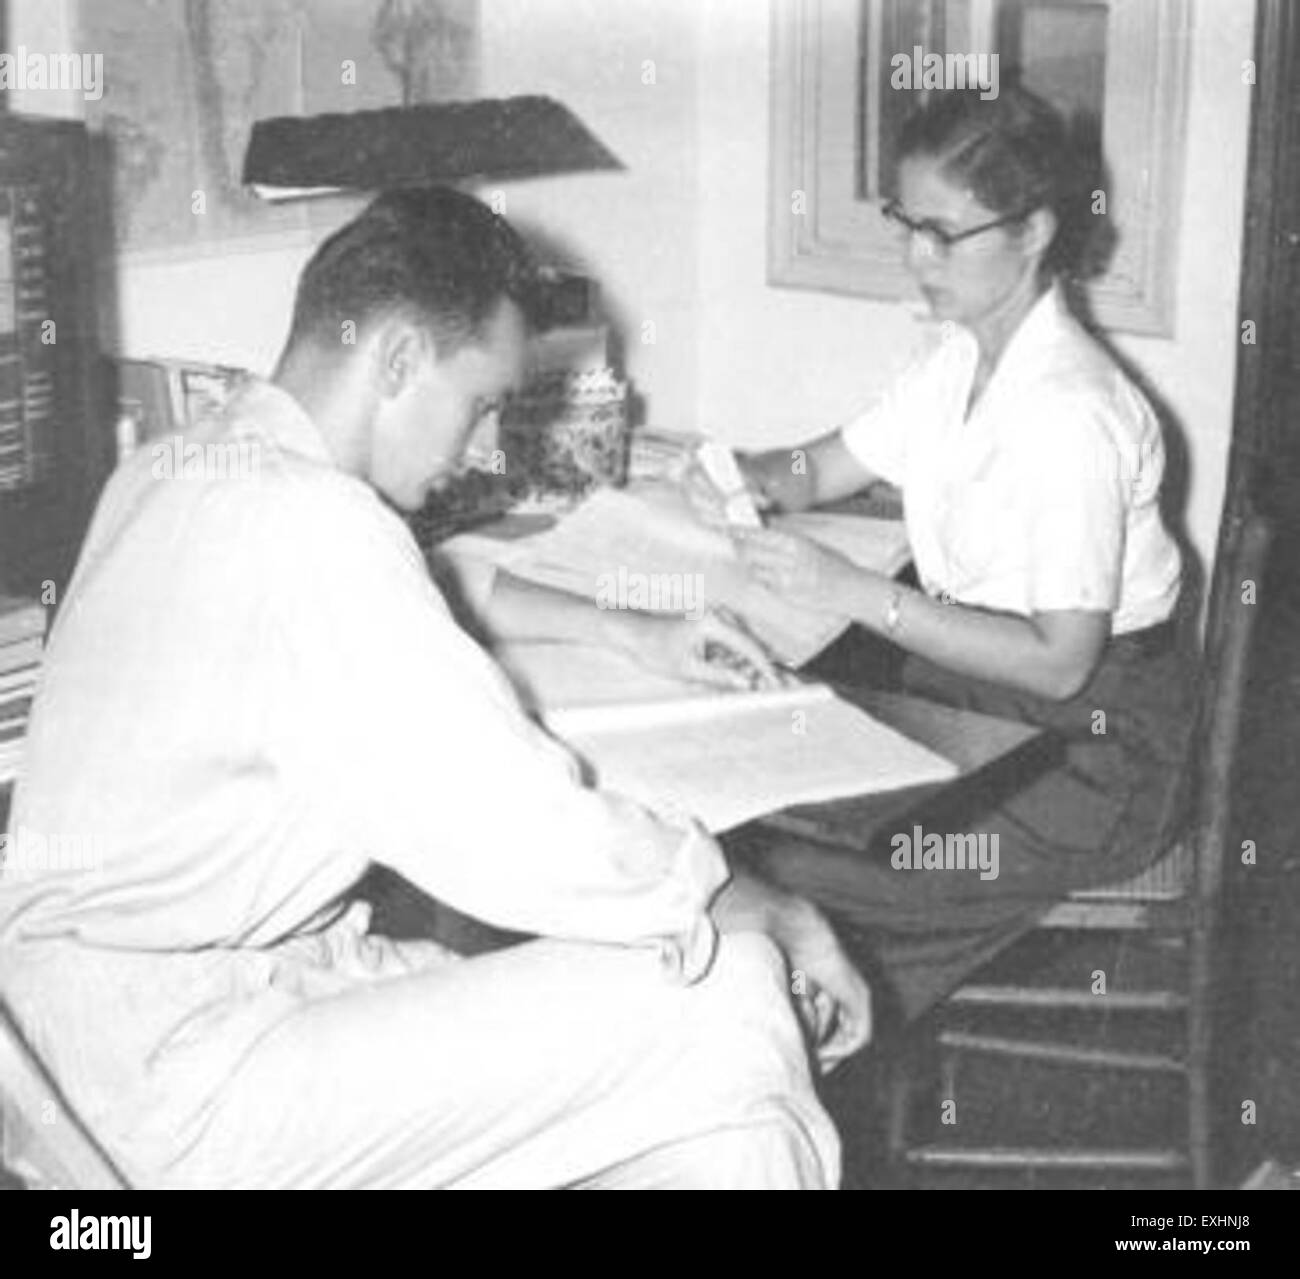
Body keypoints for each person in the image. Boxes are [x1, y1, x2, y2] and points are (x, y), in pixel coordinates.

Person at [0, 187, 869, 1189]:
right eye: (482, 403)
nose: (484, 446)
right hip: (172, 1086)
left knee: (720, 1119)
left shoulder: (175, 465)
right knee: (732, 990)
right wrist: (768, 906)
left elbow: (426, 590)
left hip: (117, 1030)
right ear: (401, 358)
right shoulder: (308, 528)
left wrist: (628, 629)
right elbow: (522, 832)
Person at [693, 87, 1196, 1024]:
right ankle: (780, 1033)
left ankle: (811, 1058)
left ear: (1035, 230)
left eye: (942, 232)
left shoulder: (1070, 412)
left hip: (1090, 754)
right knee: (755, 786)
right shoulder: (961, 357)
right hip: (981, 707)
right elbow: (822, 467)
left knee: (789, 862)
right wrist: (734, 470)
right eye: (904, 224)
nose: (914, 256)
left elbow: (1059, 663)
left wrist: (851, 592)